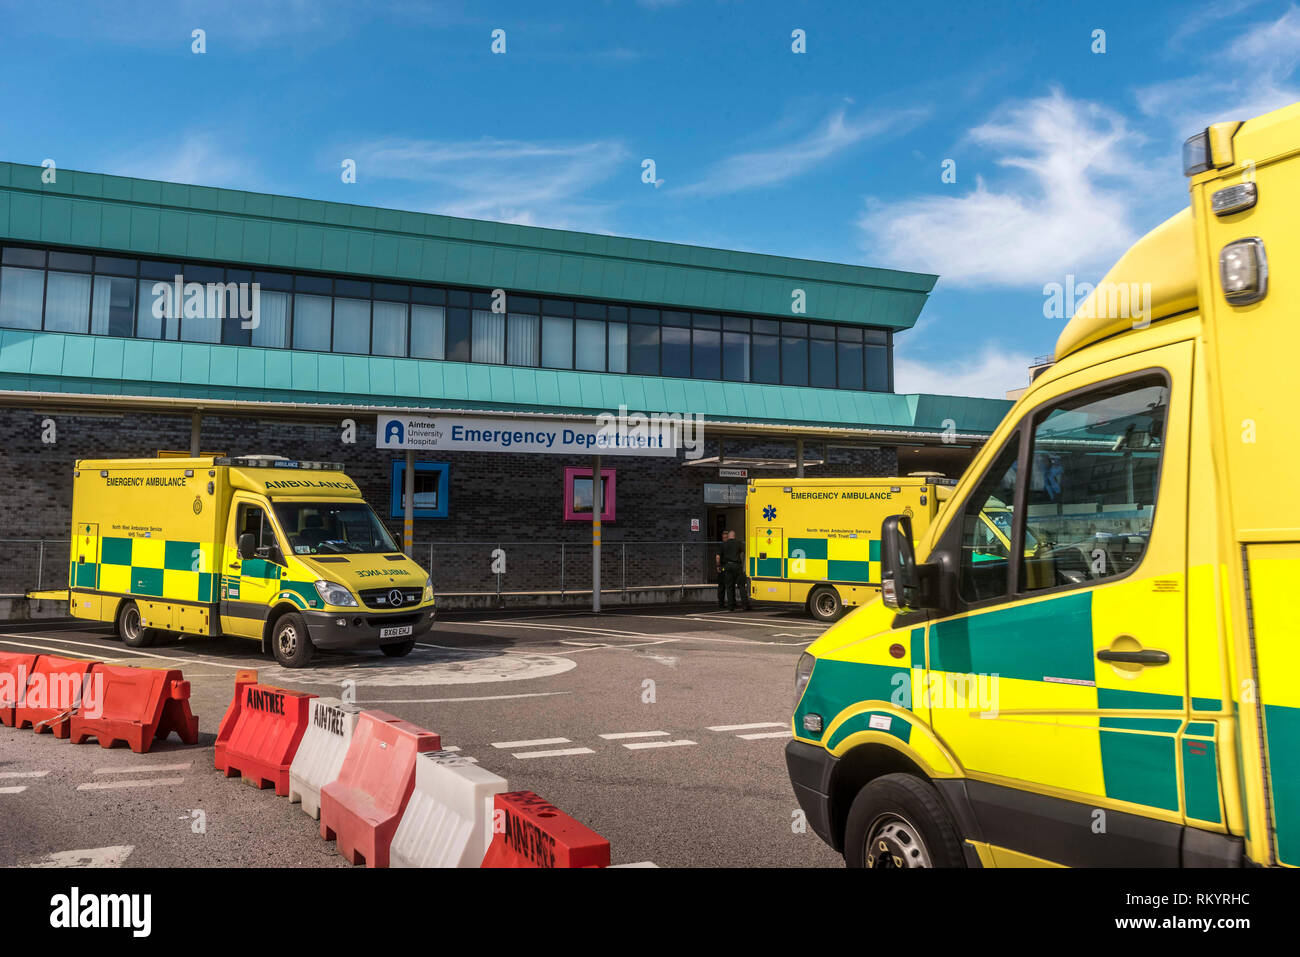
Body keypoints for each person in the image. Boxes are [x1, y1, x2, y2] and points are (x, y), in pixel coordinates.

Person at [720, 529, 746, 611]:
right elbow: (744, 551)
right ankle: (745, 605)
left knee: (729, 587)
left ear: (728, 536)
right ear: (734, 536)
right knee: (741, 586)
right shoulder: (738, 543)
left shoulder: (724, 544)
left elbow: (720, 555)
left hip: (727, 566)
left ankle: (731, 606)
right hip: (737, 565)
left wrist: (720, 565)